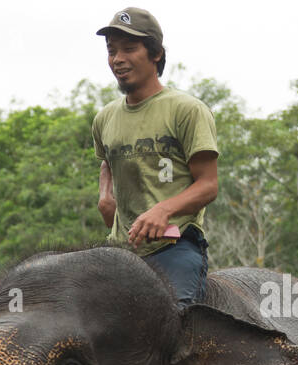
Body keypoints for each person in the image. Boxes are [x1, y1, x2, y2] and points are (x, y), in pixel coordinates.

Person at [92, 7, 220, 306]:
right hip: (121, 252)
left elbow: (208, 185)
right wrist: (105, 198)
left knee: (174, 326)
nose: (117, 59)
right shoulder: (104, 118)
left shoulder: (187, 110)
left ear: (156, 54)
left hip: (174, 247)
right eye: (111, 51)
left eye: (129, 49)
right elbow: (108, 161)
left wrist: (163, 210)